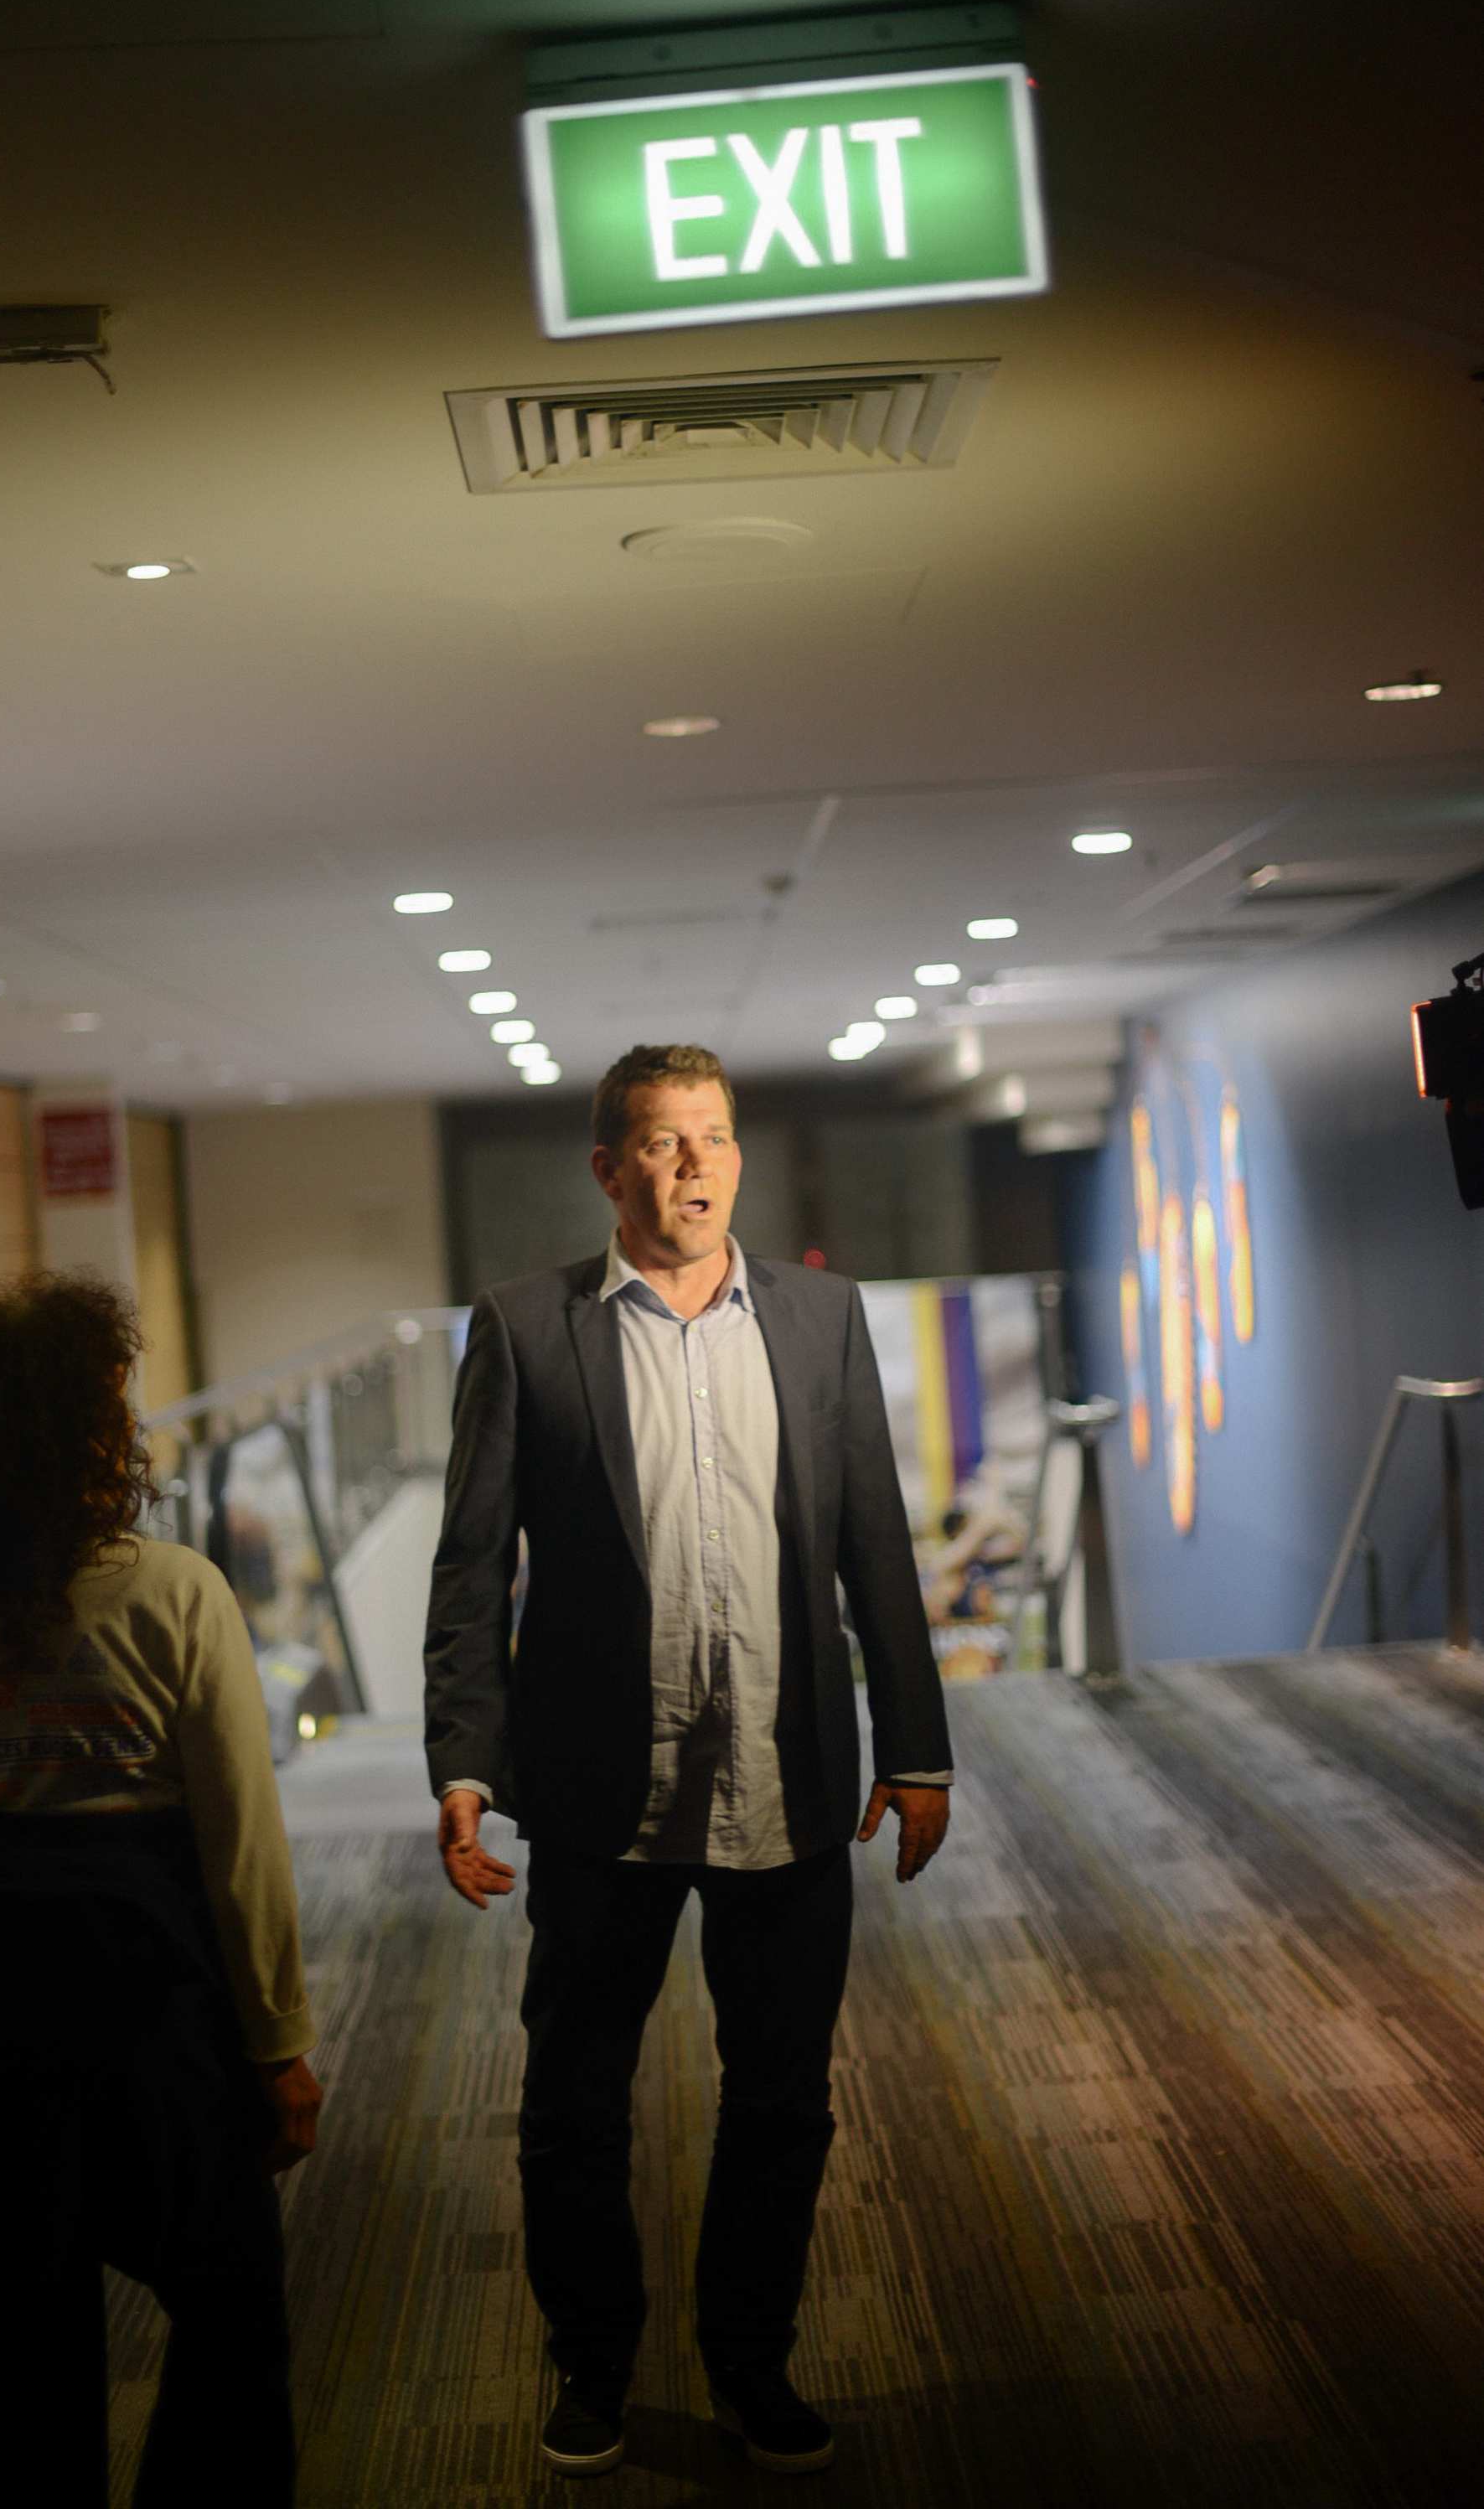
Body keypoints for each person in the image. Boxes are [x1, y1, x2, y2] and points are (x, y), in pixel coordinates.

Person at [424, 1043, 952, 2478]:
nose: (696, 1166)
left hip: (786, 1779)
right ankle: (593, 2365)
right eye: (663, 1144)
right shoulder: (528, 1328)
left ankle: (751, 2362)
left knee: (781, 2100)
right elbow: (470, 1571)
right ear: (610, 1171)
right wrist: (464, 1763)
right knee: (572, 2103)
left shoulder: (822, 1315)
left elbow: (874, 1540)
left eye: (713, 1138)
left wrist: (917, 1748)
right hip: (605, 1791)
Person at [0, 1272, 322, 2509]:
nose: (128, 1433)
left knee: (23, 2356)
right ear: (79, 1435)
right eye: (110, 1410)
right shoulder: (176, 1593)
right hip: (153, 2021)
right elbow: (240, 1848)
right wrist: (279, 2043)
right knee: (231, 2314)